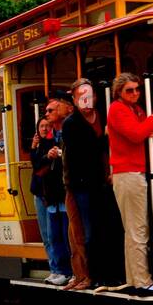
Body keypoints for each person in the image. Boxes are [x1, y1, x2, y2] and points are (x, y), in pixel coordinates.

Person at [105, 72, 153, 296]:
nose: (135, 93)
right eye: (129, 90)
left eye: (137, 89)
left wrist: (147, 127)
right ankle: (143, 282)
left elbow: (146, 131)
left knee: (133, 230)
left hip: (133, 173)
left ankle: (134, 279)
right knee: (137, 230)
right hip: (129, 174)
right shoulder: (117, 109)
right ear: (119, 93)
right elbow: (137, 134)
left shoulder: (135, 109)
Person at [60, 79, 106, 292]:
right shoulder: (71, 123)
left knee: (96, 230)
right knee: (80, 231)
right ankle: (83, 275)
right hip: (78, 185)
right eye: (82, 97)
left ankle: (91, 275)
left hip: (100, 183)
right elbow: (80, 155)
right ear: (75, 99)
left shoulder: (103, 117)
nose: (87, 101)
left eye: (90, 96)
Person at [30, 109, 72, 285]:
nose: (45, 128)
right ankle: (55, 269)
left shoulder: (53, 143)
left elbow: (48, 166)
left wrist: (47, 156)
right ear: (37, 130)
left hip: (54, 195)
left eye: (47, 125)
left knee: (60, 234)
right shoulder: (41, 146)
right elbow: (36, 165)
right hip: (42, 195)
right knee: (48, 236)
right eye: (42, 126)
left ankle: (64, 270)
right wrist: (36, 149)